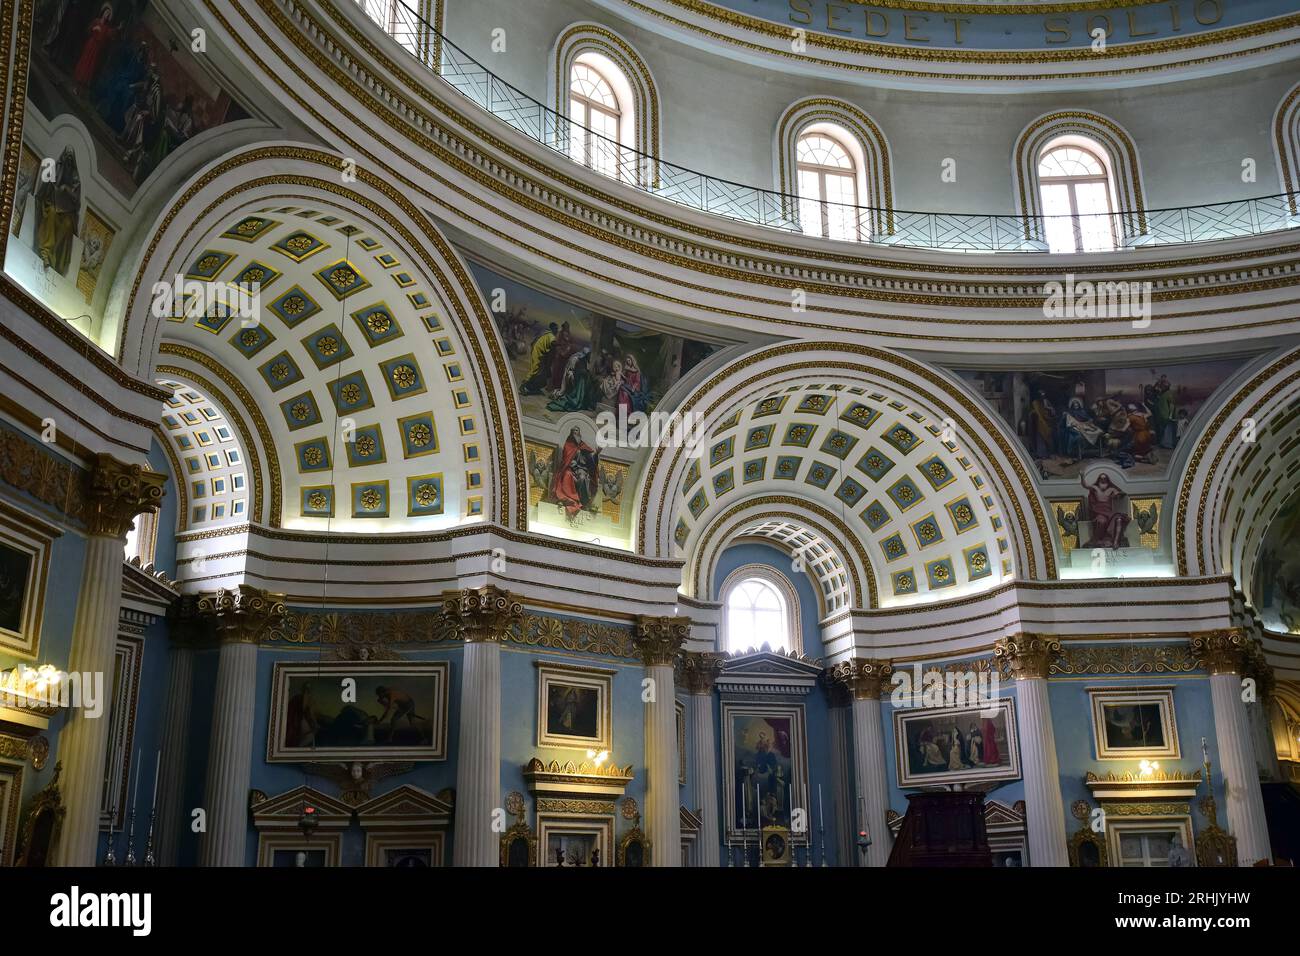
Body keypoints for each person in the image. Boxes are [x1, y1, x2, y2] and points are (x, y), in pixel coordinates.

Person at [1082, 471, 1131, 549]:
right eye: (1101, 478)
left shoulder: (1111, 489)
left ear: (1107, 479)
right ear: (1099, 479)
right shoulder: (1095, 488)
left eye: (1104, 478)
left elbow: (1120, 494)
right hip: (1098, 511)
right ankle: (1099, 539)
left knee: (1118, 518)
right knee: (1101, 521)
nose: (1103, 479)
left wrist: (1118, 495)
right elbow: (1085, 485)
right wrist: (1082, 476)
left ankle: (1115, 541)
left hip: (1108, 511)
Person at [521, 322, 558, 394]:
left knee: (539, 371)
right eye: (556, 329)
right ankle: (524, 386)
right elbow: (553, 342)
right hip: (538, 353)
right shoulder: (551, 335)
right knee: (535, 369)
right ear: (553, 329)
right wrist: (561, 344)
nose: (557, 330)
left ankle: (531, 386)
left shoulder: (545, 333)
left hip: (537, 352)